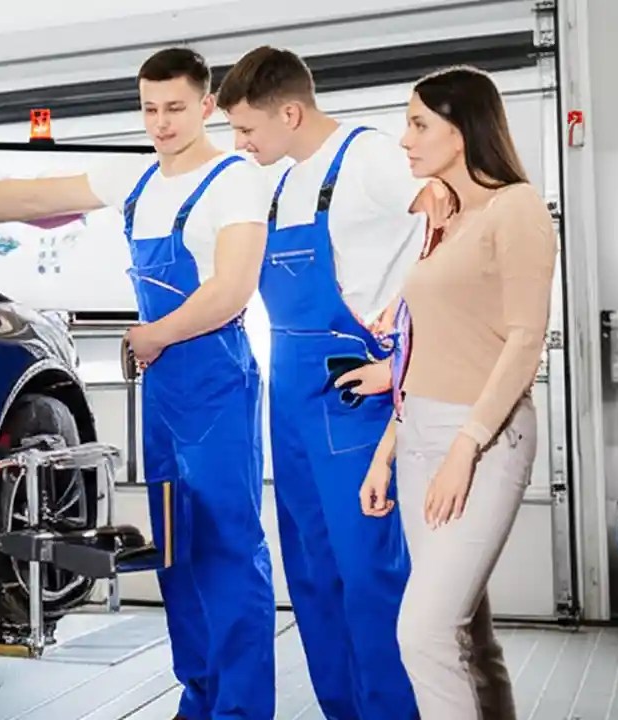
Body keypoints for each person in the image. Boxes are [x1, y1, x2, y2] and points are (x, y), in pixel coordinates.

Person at [0, 47, 278, 720]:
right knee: (177, 550)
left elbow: (233, 288)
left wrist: (154, 335)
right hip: (164, 387)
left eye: (175, 108)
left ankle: (242, 711)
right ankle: (199, 701)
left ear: (207, 105)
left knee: (228, 547)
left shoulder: (235, 178)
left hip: (215, 377)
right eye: (149, 109)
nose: (161, 122)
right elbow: (29, 196)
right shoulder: (138, 177)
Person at [215, 46, 451, 720]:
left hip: (352, 396)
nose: (240, 143)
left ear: (290, 113)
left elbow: (449, 215)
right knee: (313, 575)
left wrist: (407, 343)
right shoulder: (283, 182)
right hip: (290, 395)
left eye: (247, 129)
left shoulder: (368, 156)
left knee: (369, 573)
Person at [359, 65, 557, 719]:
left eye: (419, 124)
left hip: (482, 436)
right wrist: (387, 453)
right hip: (419, 434)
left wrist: (465, 447)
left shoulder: (517, 209)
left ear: (462, 129)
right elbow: (423, 349)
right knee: (466, 635)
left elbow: (525, 340)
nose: (405, 138)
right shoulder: (447, 222)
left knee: (424, 634)